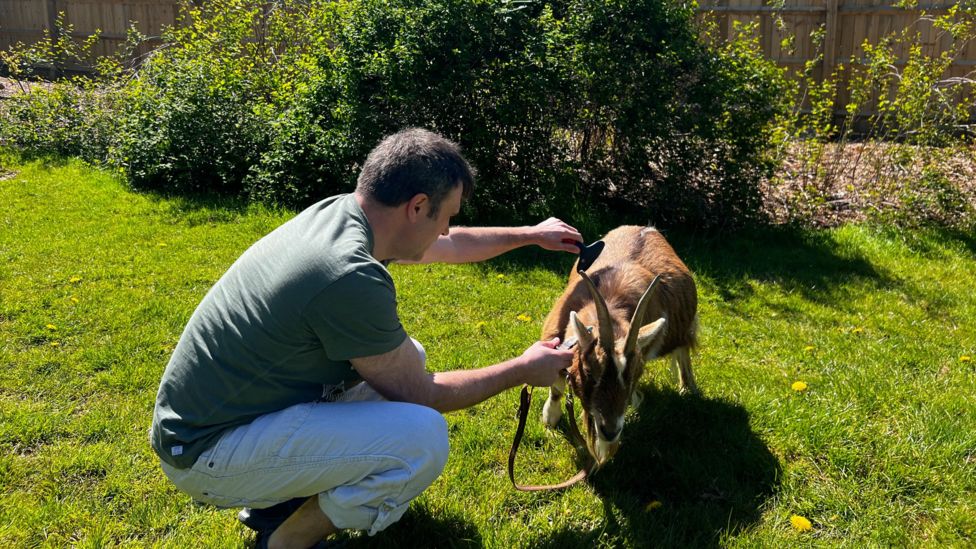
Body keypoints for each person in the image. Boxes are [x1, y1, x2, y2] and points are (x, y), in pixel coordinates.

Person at [150, 128, 584, 549]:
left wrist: (531, 234)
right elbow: (422, 394)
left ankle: (278, 504)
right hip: (205, 453)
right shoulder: (347, 274)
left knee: (408, 357)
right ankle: (286, 540)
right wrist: (522, 369)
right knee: (421, 438)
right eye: (446, 216)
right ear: (417, 207)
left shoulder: (344, 215)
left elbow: (451, 246)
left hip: (213, 423)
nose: (446, 230)